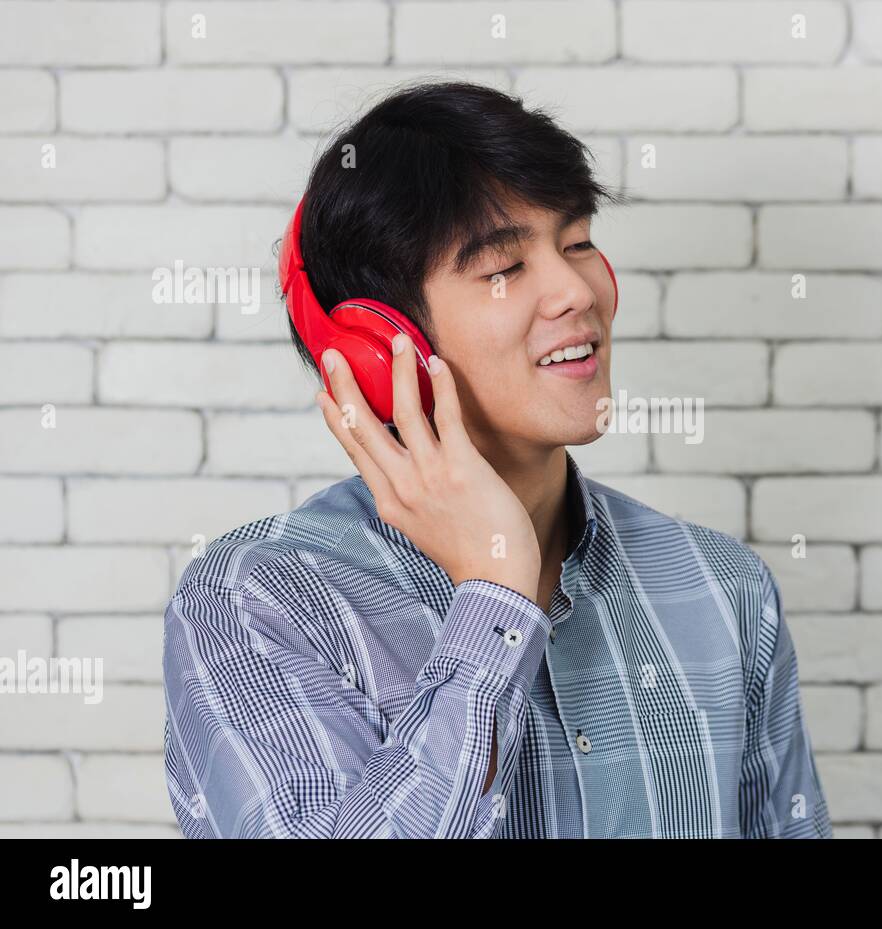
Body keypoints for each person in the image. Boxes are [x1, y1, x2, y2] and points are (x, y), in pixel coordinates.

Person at [161, 80, 832, 838]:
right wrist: (496, 594)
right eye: (503, 268)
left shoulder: (723, 588)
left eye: (577, 242)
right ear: (382, 349)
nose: (577, 290)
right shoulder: (259, 601)